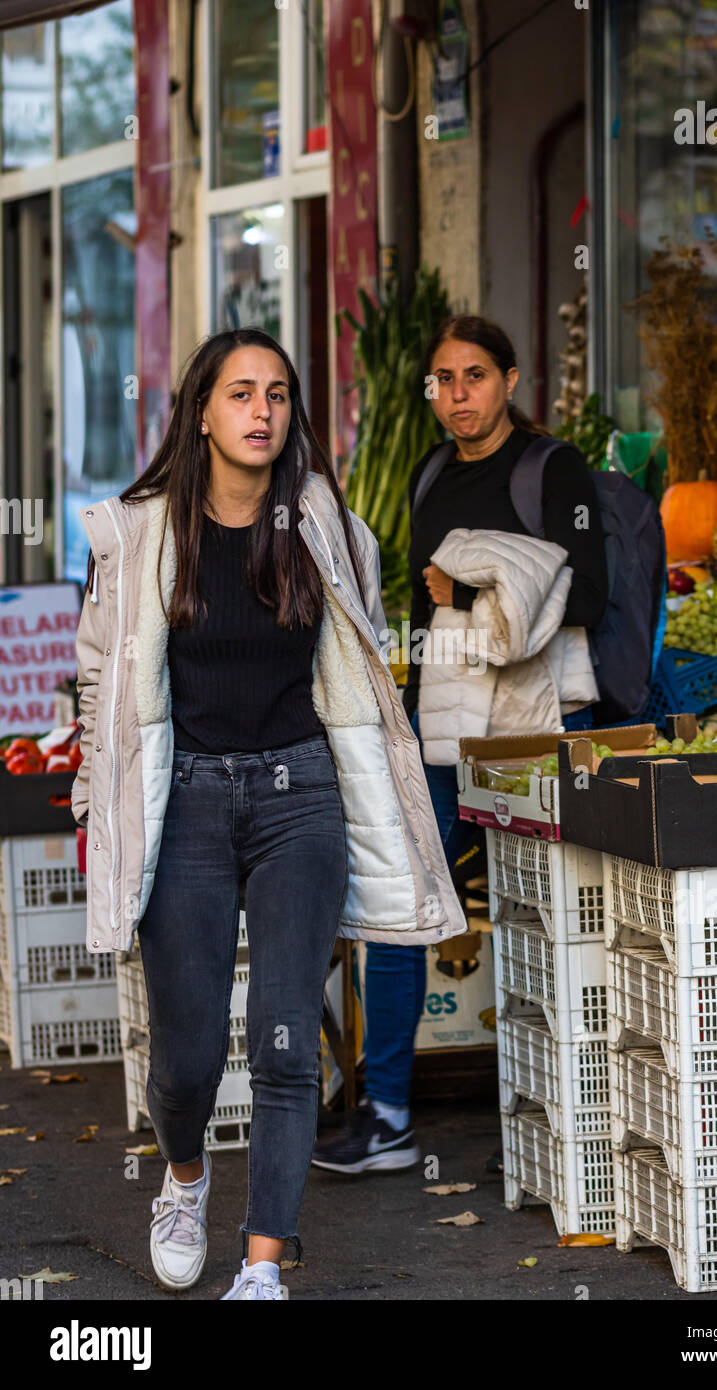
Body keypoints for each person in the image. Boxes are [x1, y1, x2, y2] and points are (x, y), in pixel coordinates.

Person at [70, 327, 466, 1300]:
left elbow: (361, 658)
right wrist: (97, 794)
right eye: (241, 392)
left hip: (301, 800)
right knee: (188, 1058)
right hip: (189, 806)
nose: (262, 410)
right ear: (201, 411)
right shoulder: (142, 531)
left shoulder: (320, 521)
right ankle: (187, 1174)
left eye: (278, 393)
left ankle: (261, 1266)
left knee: (287, 1036)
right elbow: (97, 679)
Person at [311, 314, 607, 1175]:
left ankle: (566, 1120)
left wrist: (471, 585)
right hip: (440, 731)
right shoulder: (430, 471)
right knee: (402, 908)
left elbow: (588, 594)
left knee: (551, 917)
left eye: (474, 376)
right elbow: (413, 610)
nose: (457, 395)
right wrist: (394, 709)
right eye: (443, 380)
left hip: (534, 730)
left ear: (510, 380)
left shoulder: (554, 469)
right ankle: (392, 1115)